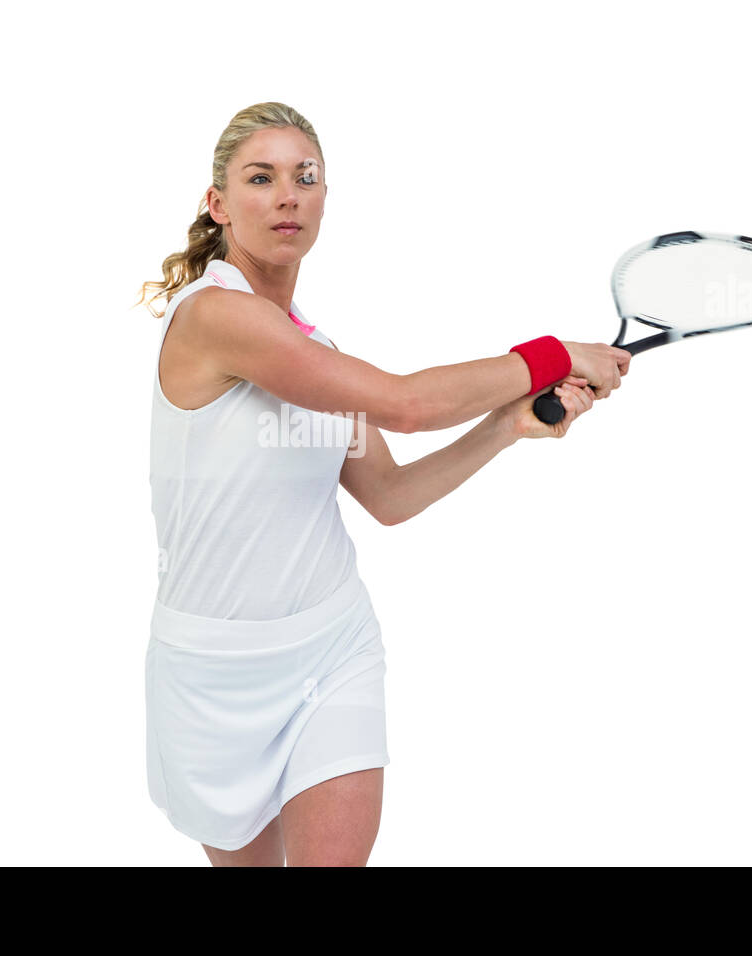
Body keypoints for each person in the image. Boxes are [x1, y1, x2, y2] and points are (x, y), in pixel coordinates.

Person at [135, 102, 629, 866]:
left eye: (306, 177)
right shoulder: (215, 317)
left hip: (332, 649)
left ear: (326, 198)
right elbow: (406, 403)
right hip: (211, 672)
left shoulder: (316, 345)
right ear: (218, 204)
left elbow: (390, 497)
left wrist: (504, 427)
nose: (287, 195)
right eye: (260, 178)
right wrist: (553, 353)